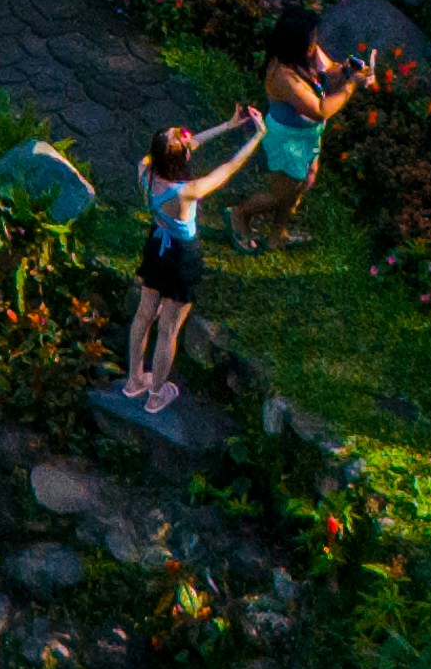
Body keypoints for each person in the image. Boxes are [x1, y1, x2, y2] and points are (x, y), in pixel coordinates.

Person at [231, 24, 378, 251]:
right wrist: (350, 86)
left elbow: (329, 72)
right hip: (287, 139)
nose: (314, 48)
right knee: (279, 195)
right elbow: (320, 109)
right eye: (310, 43)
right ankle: (239, 214)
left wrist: (347, 70)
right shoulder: (284, 75)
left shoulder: (304, 53)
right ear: (296, 46)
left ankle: (277, 236)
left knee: (301, 184)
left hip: (307, 136)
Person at [123, 121, 241, 405]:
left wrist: (228, 125)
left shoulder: (145, 171)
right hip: (181, 257)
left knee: (144, 314)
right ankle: (155, 396)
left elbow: (182, 147)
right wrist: (257, 135)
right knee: (168, 329)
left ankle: (134, 380)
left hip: (156, 246)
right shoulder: (187, 191)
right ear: (181, 157)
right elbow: (229, 168)